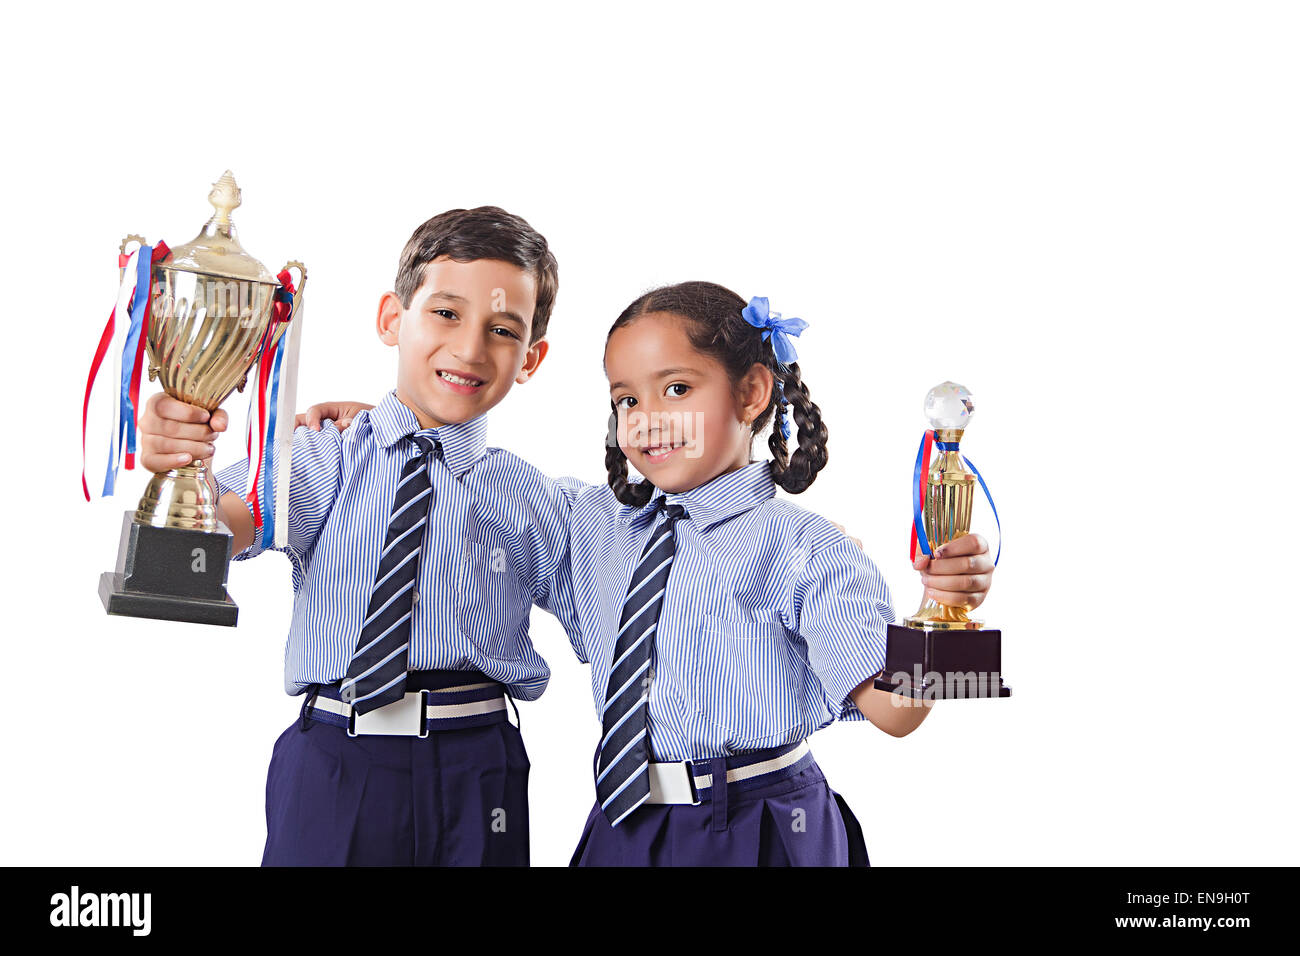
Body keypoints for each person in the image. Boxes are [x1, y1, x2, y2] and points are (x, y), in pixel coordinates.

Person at [304, 279, 995, 866]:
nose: (647, 420)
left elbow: (897, 717)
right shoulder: (593, 523)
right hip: (621, 825)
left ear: (752, 392)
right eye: (627, 399)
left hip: (760, 826)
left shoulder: (807, 548)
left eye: (675, 388)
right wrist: (393, 430)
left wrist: (947, 616)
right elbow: (477, 486)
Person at [137, 206, 579, 866]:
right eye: (446, 313)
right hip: (337, 762)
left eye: (503, 329)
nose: (469, 348)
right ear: (391, 319)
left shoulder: (535, 500)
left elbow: (615, 612)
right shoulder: (323, 456)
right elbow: (219, 526)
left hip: (479, 768)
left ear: (531, 359)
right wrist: (182, 465)